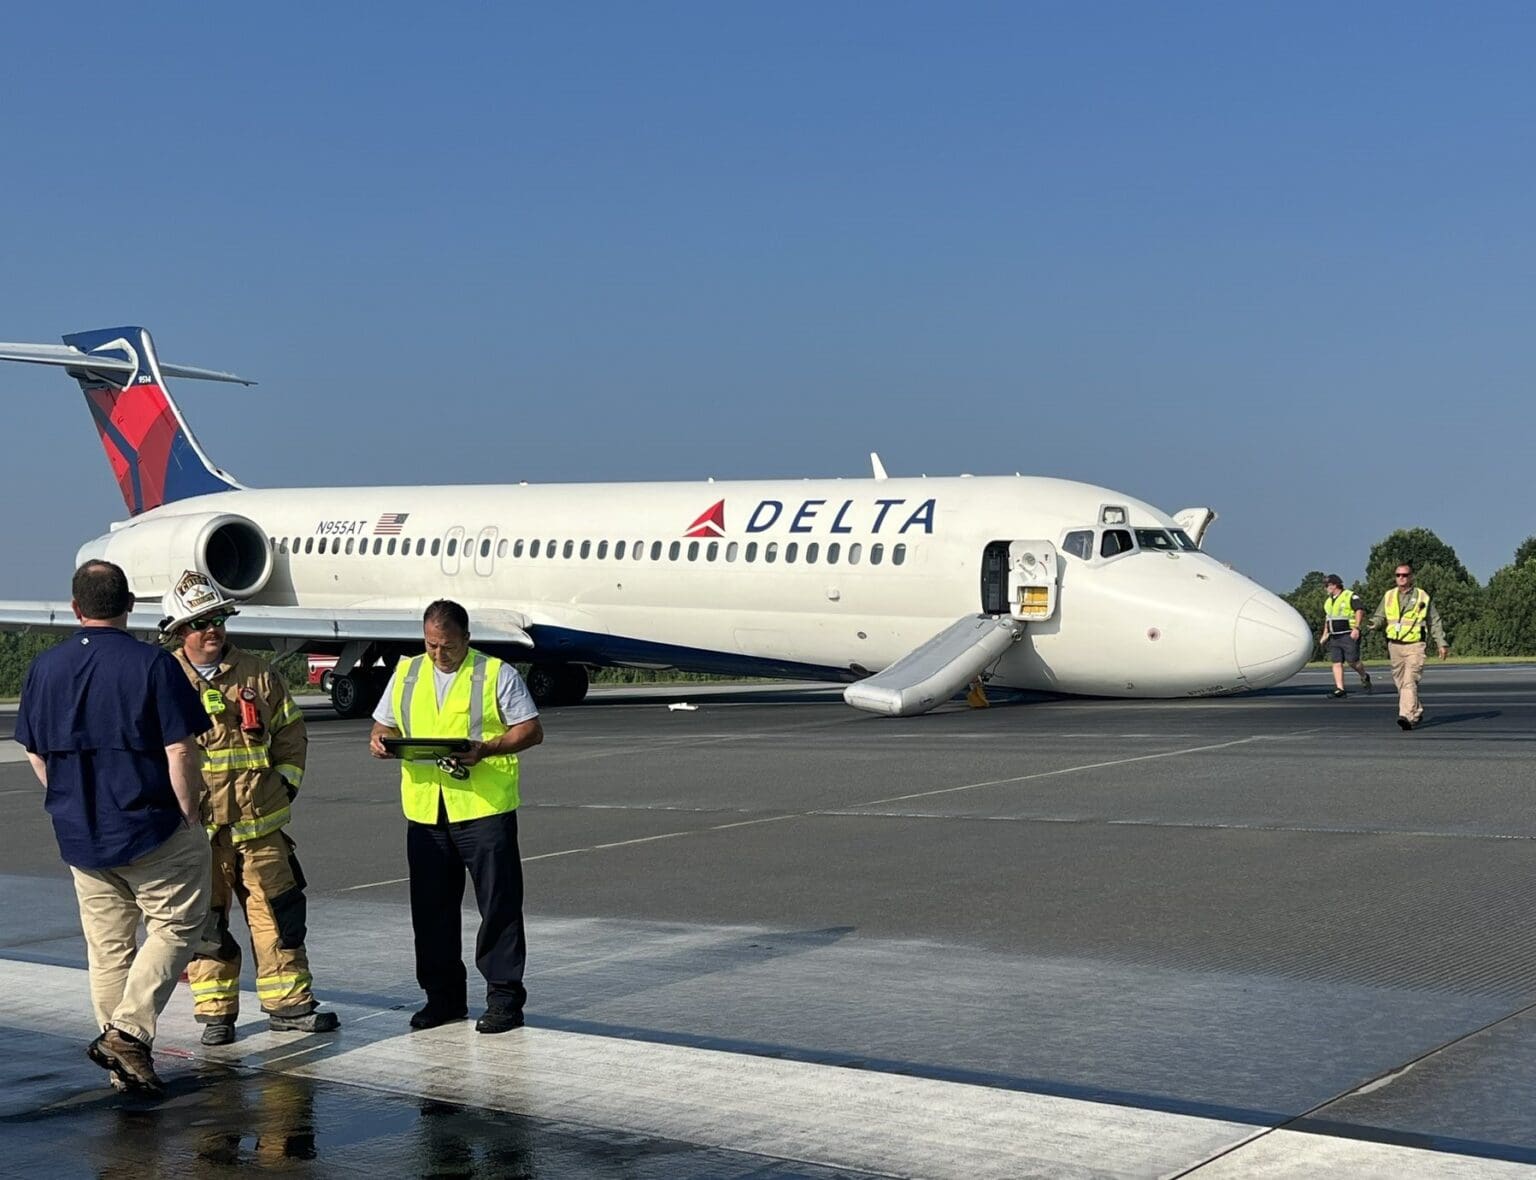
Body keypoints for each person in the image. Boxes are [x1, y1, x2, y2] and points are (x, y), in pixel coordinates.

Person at [13, 560, 212, 1095]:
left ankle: (123, 1061)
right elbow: (179, 748)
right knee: (176, 926)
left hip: (81, 832)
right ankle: (128, 1034)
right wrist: (189, 809)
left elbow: (34, 751)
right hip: (151, 827)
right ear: (129, 604)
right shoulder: (153, 665)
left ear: (76, 608)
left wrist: (68, 797)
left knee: (108, 949)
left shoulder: (45, 668)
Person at [159, 570, 340, 1044]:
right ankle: (216, 1014)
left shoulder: (258, 674)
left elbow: (291, 734)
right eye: (200, 622)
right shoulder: (162, 679)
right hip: (198, 833)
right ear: (179, 631)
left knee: (279, 916)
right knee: (207, 924)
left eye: (218, 618)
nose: (212, 630)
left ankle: (290, 1005)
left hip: (261, 829)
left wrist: (282, 786)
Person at [368, 600, 543, 1034]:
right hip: (427, 810)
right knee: (430, 911)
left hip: (483, 809)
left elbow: (531, 730)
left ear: (466, 638)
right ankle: (442, 999)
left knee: (498, 907)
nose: (438, 654)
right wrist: (382, 742)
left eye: (446, 646)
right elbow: (383, 725)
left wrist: (487, 748)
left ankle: (504, 999)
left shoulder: (495, 672)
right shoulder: (408, 672)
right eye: (431, 645)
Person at [1367, 561, 1450, 730]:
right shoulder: (1389, 595)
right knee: (1400, 682)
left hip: (1415, 645)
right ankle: (1416, 709)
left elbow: (1434, 620)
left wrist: (1441, 643)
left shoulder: (1422, 596)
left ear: (1411, 577)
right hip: (1395, 646)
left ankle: (1406, 716)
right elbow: (1380, 615)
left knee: (1409, 682)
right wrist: (1373, 624)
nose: (1401, 578)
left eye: (1405, 575)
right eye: (1398, 575)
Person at [1317, 574, 1372, 698]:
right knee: (1336, 662)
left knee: (1352, 661)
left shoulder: (1350, 596)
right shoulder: (1328, 601)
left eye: (1327, 585)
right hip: (1334, 636)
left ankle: (1364, 675)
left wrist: (1356, 628)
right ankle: (1340, 688)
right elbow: (1328, 618)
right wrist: (1325, 634)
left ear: (1334, 585)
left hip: (1348, 634)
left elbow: (1359, 610)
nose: (1326, 588)